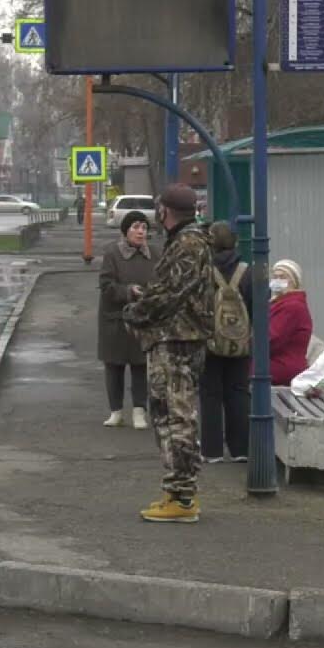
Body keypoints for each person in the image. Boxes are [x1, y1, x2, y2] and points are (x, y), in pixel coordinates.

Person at [123, 184, 213, 523]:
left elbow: (169, 295)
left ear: (165, 211)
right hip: (177, 338)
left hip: (177, 342)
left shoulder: (188, 244)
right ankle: (177, 489)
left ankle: (182, 498)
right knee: (167, 413)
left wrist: (135, 312)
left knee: (176, 416)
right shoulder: (187, 241)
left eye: (159, 208)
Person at [200, 221, 253, 463]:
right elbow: (256, 307)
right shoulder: (247, 271)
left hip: (210, 342)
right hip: (240, 344)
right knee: (238, 392)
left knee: (210, 394)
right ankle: (240, 449)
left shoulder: (205, 270)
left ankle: (212, 451)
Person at [98, 211, 156, 430]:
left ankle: (139, 412)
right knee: (114, 366)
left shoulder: (155, 254)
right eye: (136, 227)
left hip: (143, 320)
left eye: (144, 227)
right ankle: (116, 412)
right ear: (125, 231)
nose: (141, 232)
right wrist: (128, 290)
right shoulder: (112, 253)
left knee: (141, 366)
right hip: (115, 319)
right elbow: (106, 286)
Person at [269, 258, 313, 386]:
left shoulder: (292, 306)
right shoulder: (281, 303)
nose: (277, 281)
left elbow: (273, 339)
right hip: (282, 363)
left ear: (294, 281)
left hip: (283, 367)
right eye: (275, 276)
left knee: (239, 370)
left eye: (283, 277)